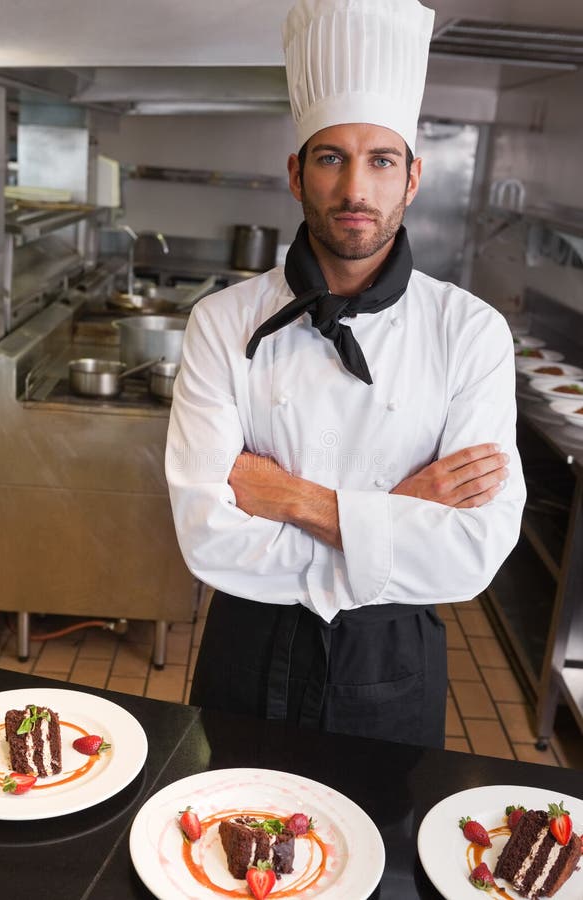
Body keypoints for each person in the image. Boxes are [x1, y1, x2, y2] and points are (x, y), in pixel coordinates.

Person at [165, 0, 526, 748]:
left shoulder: (471, 334)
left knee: (385, 852)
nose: (356, 189)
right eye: (331, 158)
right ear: (297, 174)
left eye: (381, 160)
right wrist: (397, 513)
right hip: (245, 650)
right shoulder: (223, 322)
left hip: (392, 665)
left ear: (413, 178)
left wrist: (287, 497)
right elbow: (207, 538)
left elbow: (471, 553)